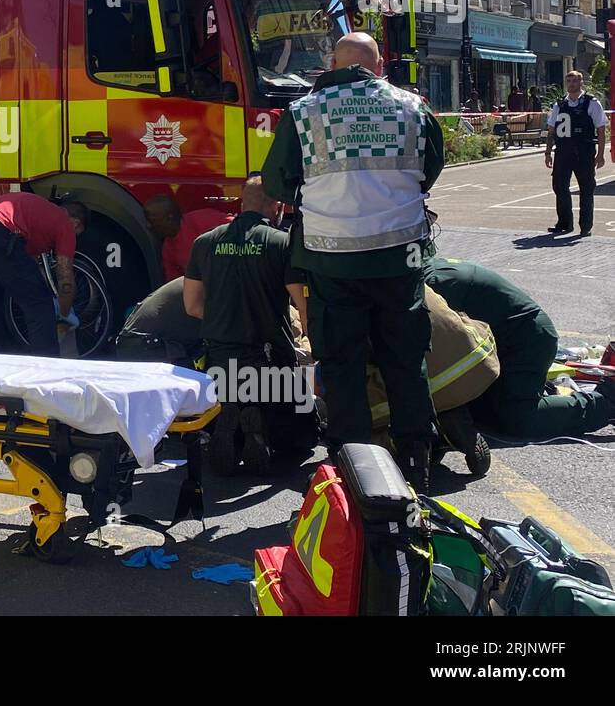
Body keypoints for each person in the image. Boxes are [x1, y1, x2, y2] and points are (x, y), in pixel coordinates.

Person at [262, 31, 444, 491]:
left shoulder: (304, 112)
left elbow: (277, 182)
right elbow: (432, 168)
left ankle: (353, 467)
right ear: (378, 65)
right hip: (397, 256)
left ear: (331, 64)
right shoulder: (411, 106)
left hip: (331, 259)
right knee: (404, 359)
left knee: (341, 363)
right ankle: (417, 460)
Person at [182, 175, 313, 474]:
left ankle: (233, 425)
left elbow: (191, 306)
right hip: (270, 362)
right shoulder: (282, 243)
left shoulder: (204, 242)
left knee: (229, 406)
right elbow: (303, 305)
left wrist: (227, 318)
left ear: (242, 203)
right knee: (302, 436)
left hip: (220, 362)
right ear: (276, 207)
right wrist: (312, 343)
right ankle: (262, 428)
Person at [424, 257, 615, 439]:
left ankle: (607, 401)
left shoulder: (426, 288)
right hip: (505, 337)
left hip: (525, 339)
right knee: (483, 413)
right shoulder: (419, 273)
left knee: (521, 419)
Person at [0, 192, 86, 354]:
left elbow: (27, 269)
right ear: (76, 223)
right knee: (40, 305)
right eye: (78, 235)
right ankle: (46, 370)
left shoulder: (42, 214)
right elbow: (65, 277)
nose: (74, 239)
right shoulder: (65, 224)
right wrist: (64, 314)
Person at [545, 70, 608, 237]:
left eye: (574, 81)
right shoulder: (559, 105)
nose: (571, 84)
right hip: (563, 152)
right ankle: (565, 223)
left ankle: (585, 226)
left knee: (586, 189)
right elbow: (551, 130)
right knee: (559, 187)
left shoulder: (591, 103)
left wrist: (600, 154)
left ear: (581, 83)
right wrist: (547, 152)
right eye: (569, 81)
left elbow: (601, 130)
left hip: (584, 152)